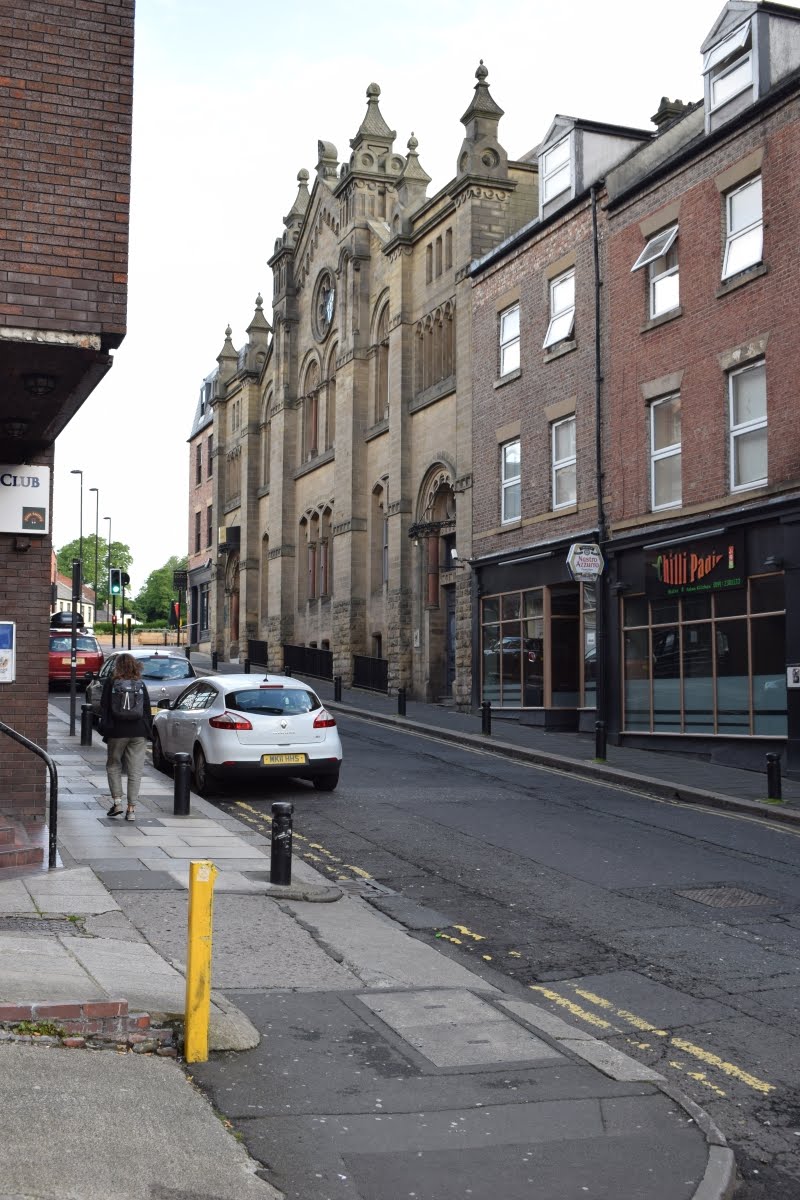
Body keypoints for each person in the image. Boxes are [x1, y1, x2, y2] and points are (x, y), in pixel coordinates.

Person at [99, 653, 153, 822]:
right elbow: (146, 709)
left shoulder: (111, 683)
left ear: (118, 666)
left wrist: (106, 728)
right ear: (135, 666)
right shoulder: (140, 684)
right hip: (138, 732)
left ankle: (117, 803)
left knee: (113, 765)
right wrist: (147, 730)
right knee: (135, 771)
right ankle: (131, 810)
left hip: (117, 731)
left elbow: (104, 706)